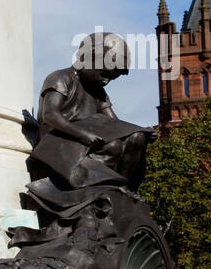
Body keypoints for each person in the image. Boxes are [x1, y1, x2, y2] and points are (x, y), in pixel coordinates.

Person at [29, 31, 157, 193]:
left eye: (110, 79)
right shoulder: (60, 77)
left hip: (84, 143)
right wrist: (83, 134)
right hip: (59, 140)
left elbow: (116, 125)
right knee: (113, 146)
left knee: (136, 138)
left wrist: (143, 131)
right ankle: (95, 186)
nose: (105, 81)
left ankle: (122, 188)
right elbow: (50, 115)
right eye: (104, 74)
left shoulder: (98, 91)